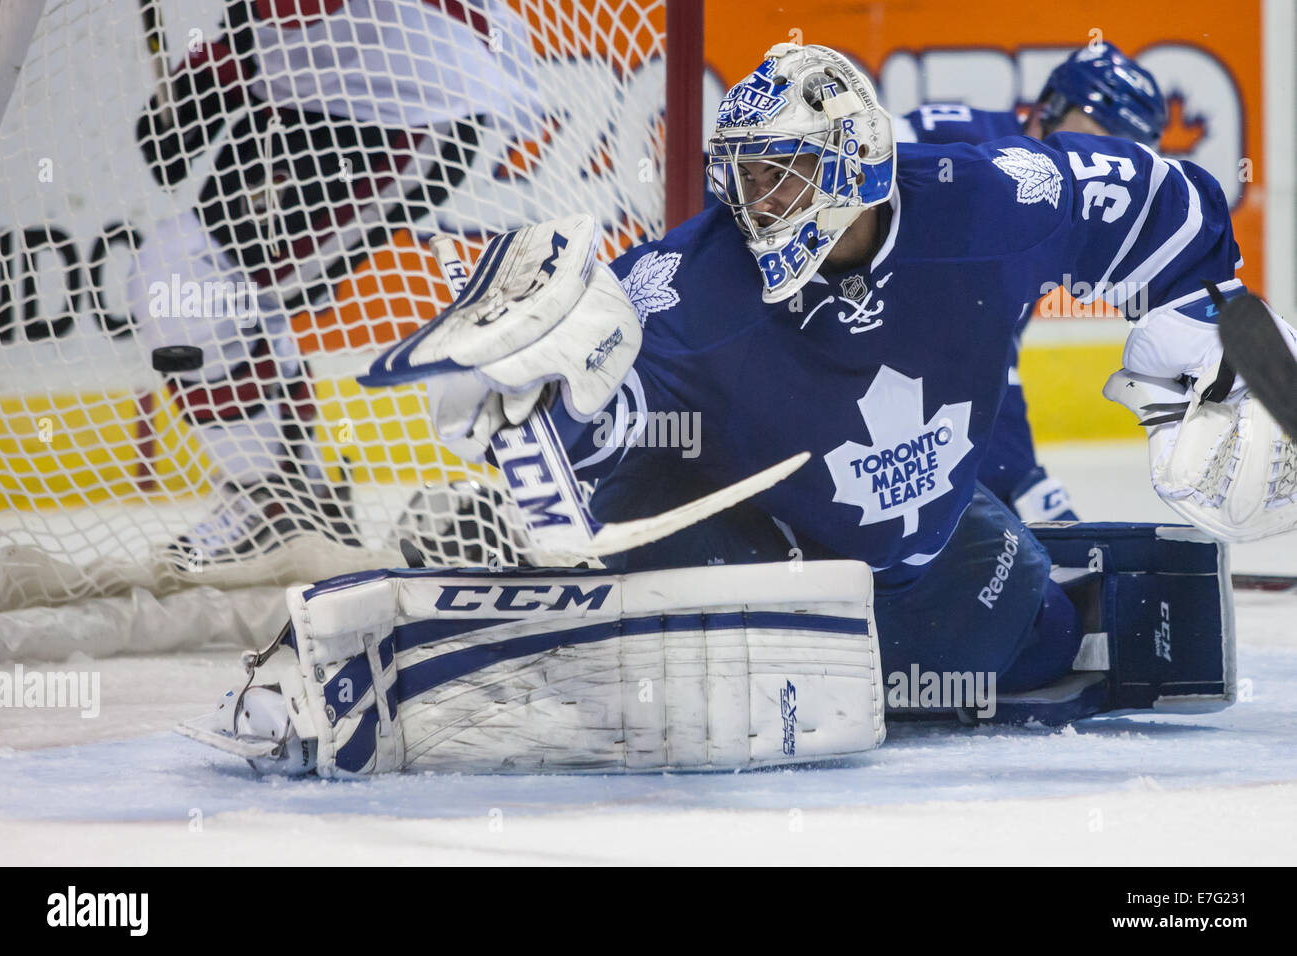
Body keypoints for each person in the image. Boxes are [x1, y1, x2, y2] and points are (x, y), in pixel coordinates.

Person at [191, 41, 1295, 775]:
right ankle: (538, 609)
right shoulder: (692, 286)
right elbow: (608, 405)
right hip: (746, 534)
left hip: (935, 562)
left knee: (1022, 628)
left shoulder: (1001, 201)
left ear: (856, 164)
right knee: (687, 567)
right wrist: (544, 425)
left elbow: (1190, 218)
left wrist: (1247, 370)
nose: (751, 207)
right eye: (741, 180)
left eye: (778, 178)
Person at [126, 0, 540, 568]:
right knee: (172, 272)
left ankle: (282, 498)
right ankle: (289, 492)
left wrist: (211, 76)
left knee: (215, 285)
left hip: (408, 94)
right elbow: (218, 71)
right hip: (303, 95)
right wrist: (190, 96)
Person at [894, 41, 1168, 521]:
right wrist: (1025, 485)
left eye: (1126, 154)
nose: (1104, 165)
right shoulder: (959, 137)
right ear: (1048, 108)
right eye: (1100, 140)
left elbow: (990, 348)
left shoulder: (1072, 210)